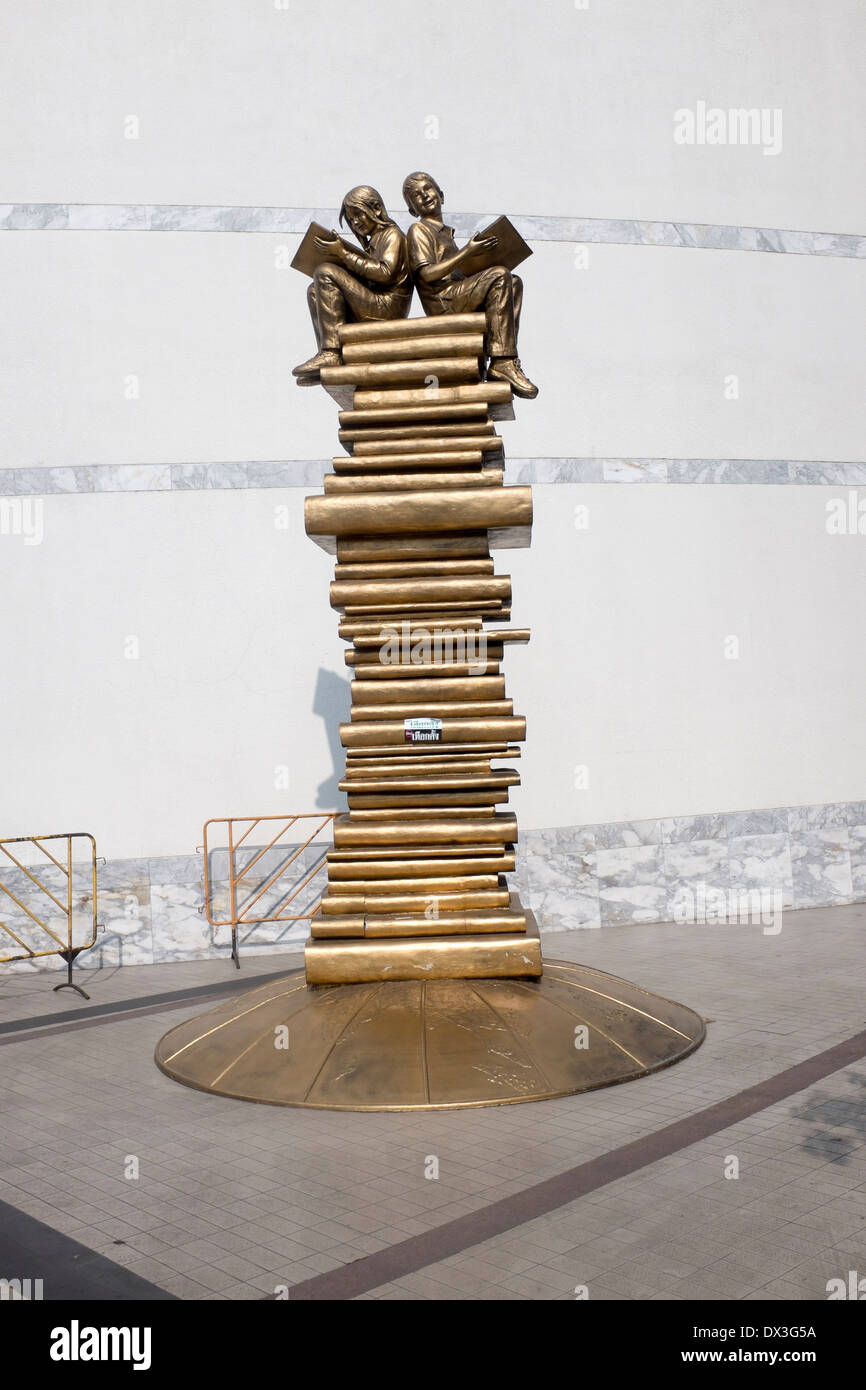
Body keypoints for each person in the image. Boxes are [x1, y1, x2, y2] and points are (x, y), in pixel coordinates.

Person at [402, 171, 538, 399]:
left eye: (428, 189)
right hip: (443, 301)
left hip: (457, 295)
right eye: (416, 196)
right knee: (498, 275)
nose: (424, 196)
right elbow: (426, 274)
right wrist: (468, 252)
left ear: (441, 195)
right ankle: (502, 361)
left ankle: (502, 358)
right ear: (412, 210)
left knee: (513, 283)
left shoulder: (447, 234)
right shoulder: (419, 230)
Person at [293, 186, 412, 381]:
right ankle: (327, 353)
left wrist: (343, 254)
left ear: (376, 209)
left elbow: (385, 273)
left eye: (358, 215)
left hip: (387, 307)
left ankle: (332, 353)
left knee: (325, 271)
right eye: (351, 219)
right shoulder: (374, 241)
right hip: (373, 301)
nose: (355, 222)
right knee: (314, 291)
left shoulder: (393, 235)